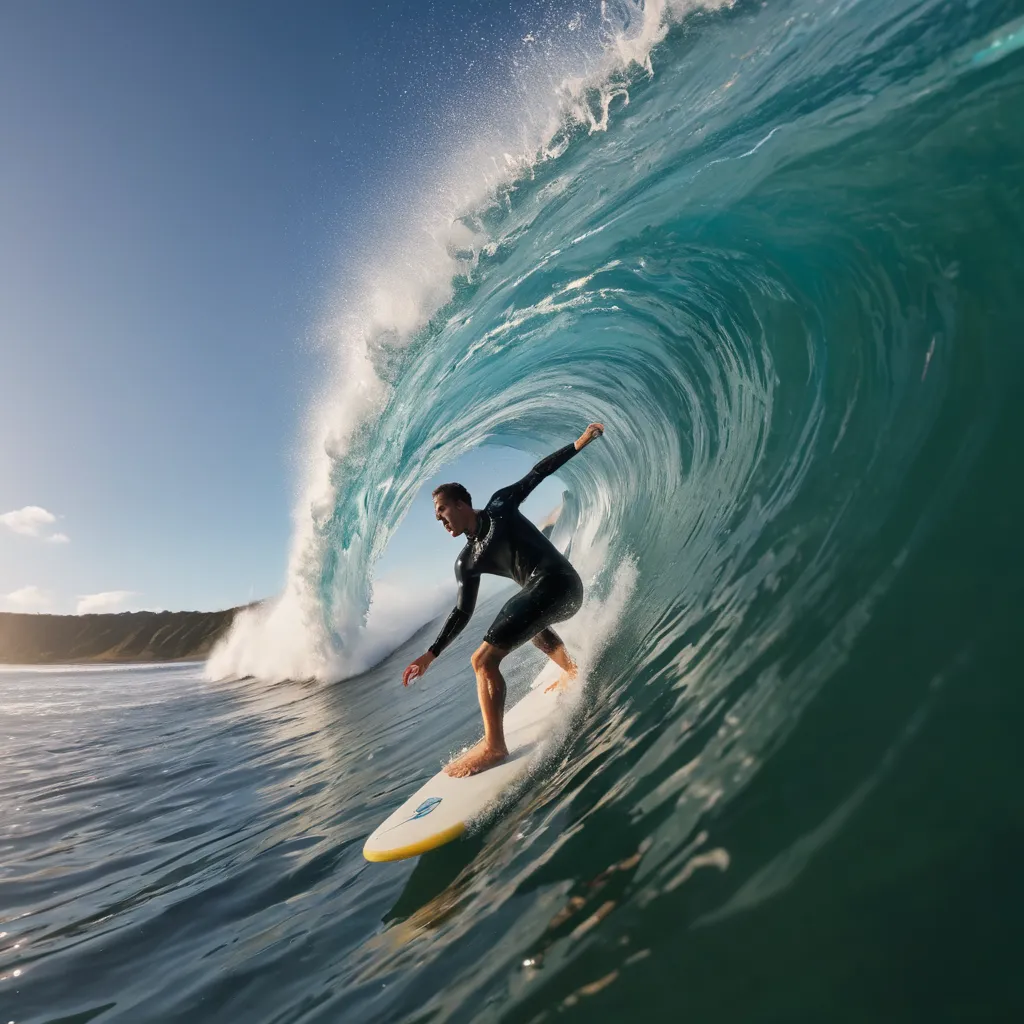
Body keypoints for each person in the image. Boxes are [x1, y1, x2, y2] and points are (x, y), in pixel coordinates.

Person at [402, 423, 605, 777]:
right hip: (549, 598)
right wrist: (430, 654)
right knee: (528, 626)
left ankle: (495, 747)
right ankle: (573, 671)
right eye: (436, 516)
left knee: (482, 660)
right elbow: (462, 612)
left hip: (562, 584)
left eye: (442, 510)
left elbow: (537, 474)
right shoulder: (467, 562)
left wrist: (579, 443)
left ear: (462, 504)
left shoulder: (500, 505)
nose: (439, 520)